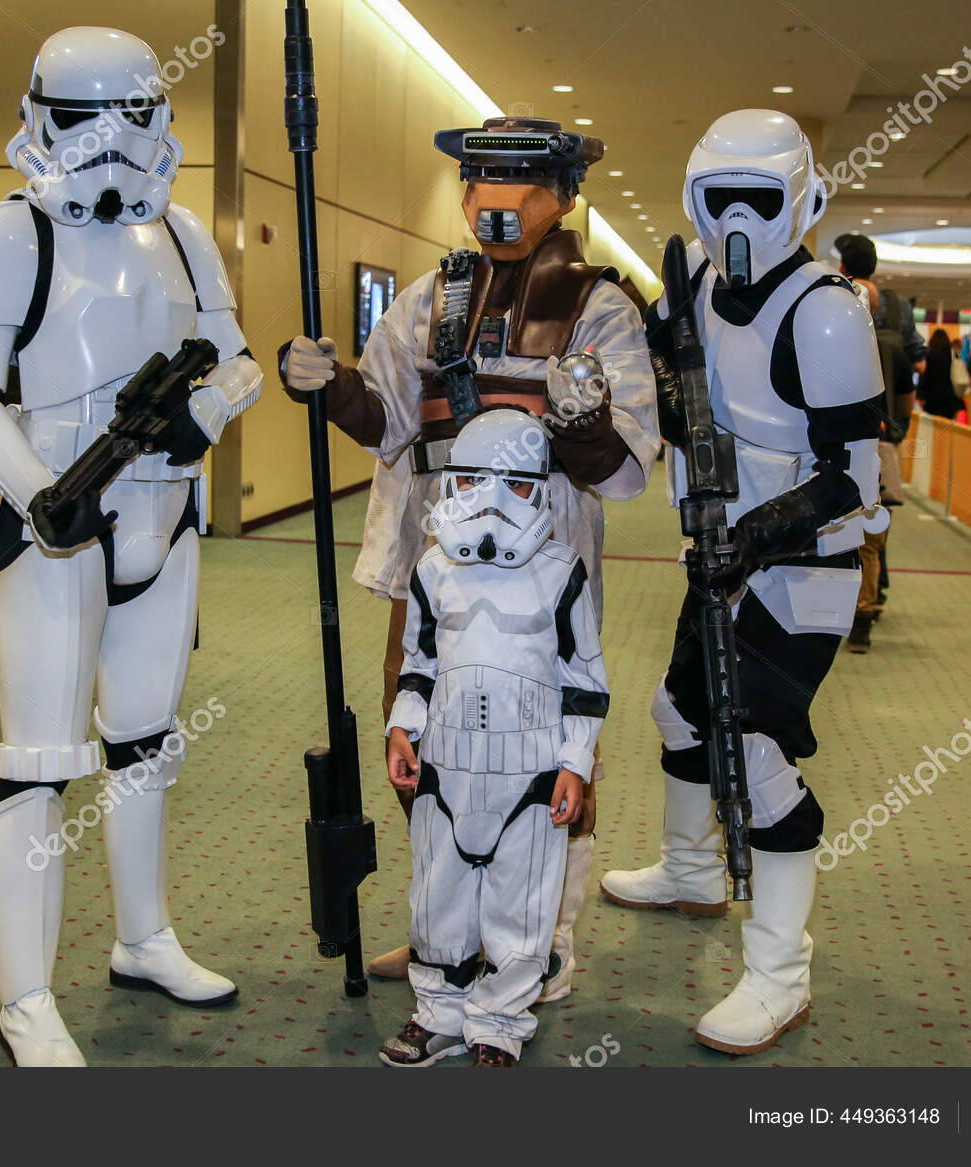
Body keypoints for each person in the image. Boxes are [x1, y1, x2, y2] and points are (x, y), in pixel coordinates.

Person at [0, 27, 261, 1066]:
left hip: (165, 516)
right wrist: (38, 493)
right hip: (57, 532)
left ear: (160, 118)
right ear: (38, 117)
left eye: (130, 116)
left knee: (145, 745)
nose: (108, 145)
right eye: (80, 118)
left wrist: (201, 416)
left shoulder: (183, 239)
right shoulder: (1, 235)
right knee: (37, 766)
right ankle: (24, 1000)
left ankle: (142, 937)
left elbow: (241, 359)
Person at [281, 116, 659, 1000]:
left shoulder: (601, 307)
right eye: (477, 175)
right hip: (432, 565)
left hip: (545, 566)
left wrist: (582, 420)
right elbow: (390, 420)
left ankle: (539, 939)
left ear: (563, 194)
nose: (492, 196)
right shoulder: (428, 297)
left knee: (547, 749)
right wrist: (332, 386)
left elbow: (630, 469)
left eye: (518, 177)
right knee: (422, 740)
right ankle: (445, 933)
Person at [600, 109, 884, 1055]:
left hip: (803, 567)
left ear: (803, 200)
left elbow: (854, 477)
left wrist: (758, 535)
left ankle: (779, 974)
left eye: (757, 201)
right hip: (717, 551)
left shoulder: (825, 310)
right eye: (718, 200)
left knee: (756, 753)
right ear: (692, 198)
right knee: (680, 712)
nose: (737, 221)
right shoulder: (697, 299)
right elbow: (697, 420)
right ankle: (692, 872)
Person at [377, 409, 608, 1068]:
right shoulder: (432, 569)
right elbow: (418, 666)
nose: (494, 501)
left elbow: (586, 683)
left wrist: (575, 763)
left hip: (528, 774)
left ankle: (499, 1022)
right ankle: (439, 1013)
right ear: (452, 482)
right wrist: (402, 725)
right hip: (446, 769)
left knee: (521, 902)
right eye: (475, 479)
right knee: (439, 897)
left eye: (516, 484)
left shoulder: (561, 573)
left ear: (542, 488)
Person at [846, 279, 913, 654]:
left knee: (850, 535)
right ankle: (861, 616)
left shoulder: (823, 334)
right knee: (870, 540)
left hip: (837, 449)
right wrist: (897, 435)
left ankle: (854, 614)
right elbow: (907, 402)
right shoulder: (894, 348)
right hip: (878, 447)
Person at [834, 233, 926, 372]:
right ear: (874, 267)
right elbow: (919, 364)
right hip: (889, 390)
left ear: (842, 267)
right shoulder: (900, 306)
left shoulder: (833, 302)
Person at [917, 328, 965, 419]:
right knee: (948, 425)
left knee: (932, 425)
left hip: (931, 398)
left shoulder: (928, 354)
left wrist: (920, 394)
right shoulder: (953, 354)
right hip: (949, 396)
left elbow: (924, 376)